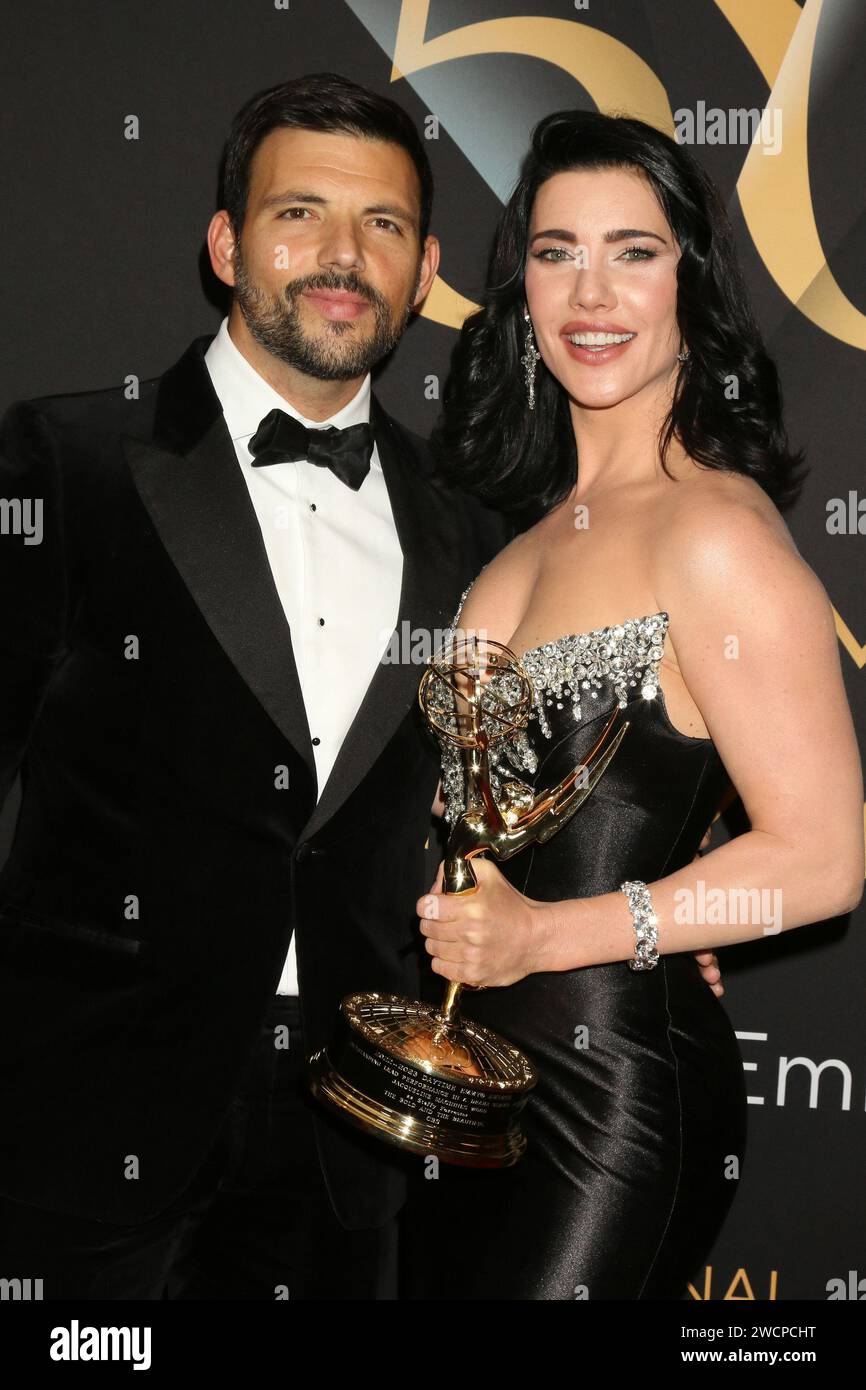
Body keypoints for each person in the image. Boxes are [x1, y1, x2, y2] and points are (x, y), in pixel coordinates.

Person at [0, 77, 724, 1301]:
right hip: (86, 1125)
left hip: (361, 1142)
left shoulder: (478, 532)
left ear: (425, 262)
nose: (342, 257)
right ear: (226, 242)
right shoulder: (60, 463)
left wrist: (669, 881)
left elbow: (534, 768)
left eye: (382, 226)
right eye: (300, 215)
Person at [401, 110, 863, 1300]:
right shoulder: (525, 539)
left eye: (632, 250)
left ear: (689, 288)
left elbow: (821, 860)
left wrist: (557, 935)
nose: (589, 291)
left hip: (606, 1110)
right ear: (520, 292)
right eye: (555, 251)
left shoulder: (714, 530)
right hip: (463, 1090)